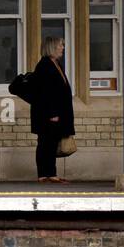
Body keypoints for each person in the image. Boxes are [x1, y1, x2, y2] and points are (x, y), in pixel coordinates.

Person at [31, 36, 75, 183]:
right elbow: (45, 92)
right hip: (48, 114)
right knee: (46, 143)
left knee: (51, 143)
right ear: (52, 47)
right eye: (60, 45)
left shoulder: (56, 64)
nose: (62, 48)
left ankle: (51, 173)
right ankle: (45, 174)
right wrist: (52, 113)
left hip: (56, 113)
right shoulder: (44, 66)